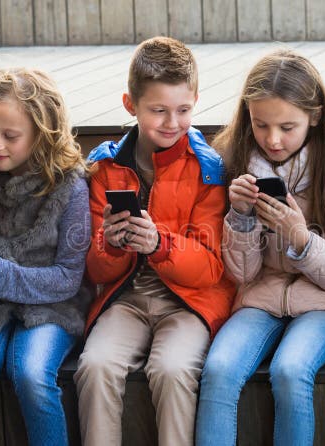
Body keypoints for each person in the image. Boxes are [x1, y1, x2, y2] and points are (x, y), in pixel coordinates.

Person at [195, 50, 325, 445]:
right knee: (219, 369)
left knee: (290, 371)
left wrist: (300, 237)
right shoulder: (237, 164)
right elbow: (242, 274)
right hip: (260, 298)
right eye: (261, 125)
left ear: (316, 116)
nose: (273, 139)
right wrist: (239, 217)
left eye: (287, 127)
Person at [74, 36, 235, 446]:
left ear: (196, 99)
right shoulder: (105, 167)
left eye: (183, 110)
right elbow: (96, 270)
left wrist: (160, 244)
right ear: (131, 105)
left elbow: (211, 267)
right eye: (158, 111)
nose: (172, 122)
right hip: (125, 298)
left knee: (173, 369)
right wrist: (109, 243)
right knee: (95, 366)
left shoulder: (208, 170)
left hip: (188, 301)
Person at [0, 68, 91, 446]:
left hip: (53, 307)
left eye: (10, 136)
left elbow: (68, 277)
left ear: (42, 133)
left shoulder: (70, 187)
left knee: (31, 375)